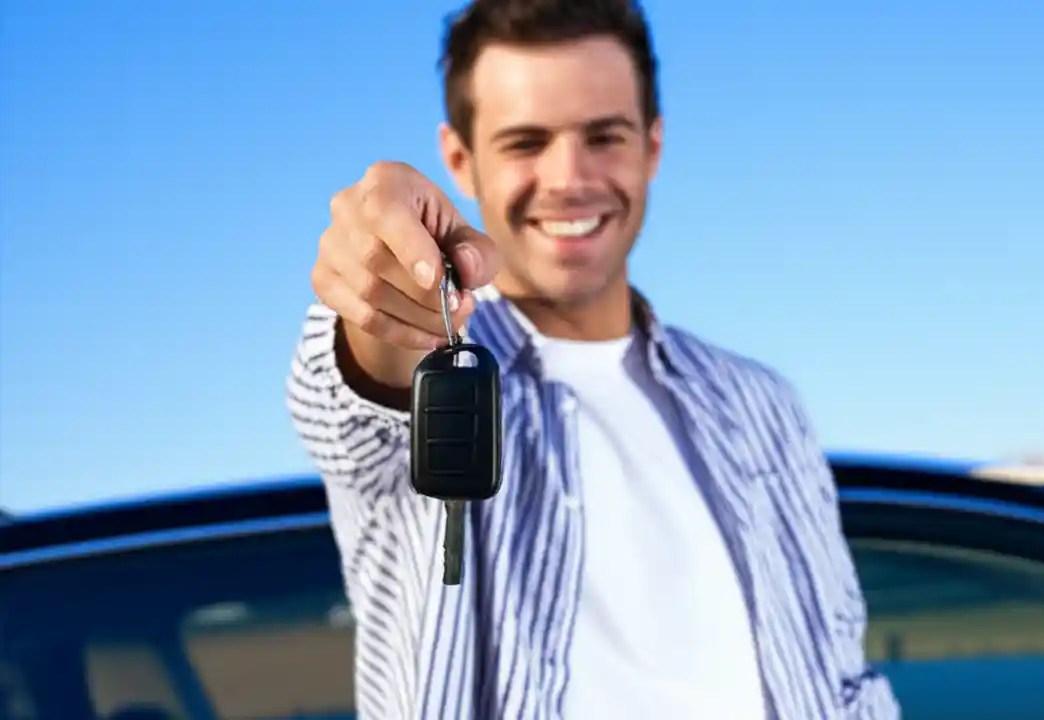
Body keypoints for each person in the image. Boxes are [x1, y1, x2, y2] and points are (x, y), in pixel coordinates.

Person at [286, 0, 899, 717]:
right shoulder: (433, 374)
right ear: (460, 159)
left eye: (604, 136)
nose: (569, 178)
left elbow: (838, 680)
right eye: (525, 142)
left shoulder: (763, 405)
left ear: (654, 146)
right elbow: (350, 406)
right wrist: (385, 277)